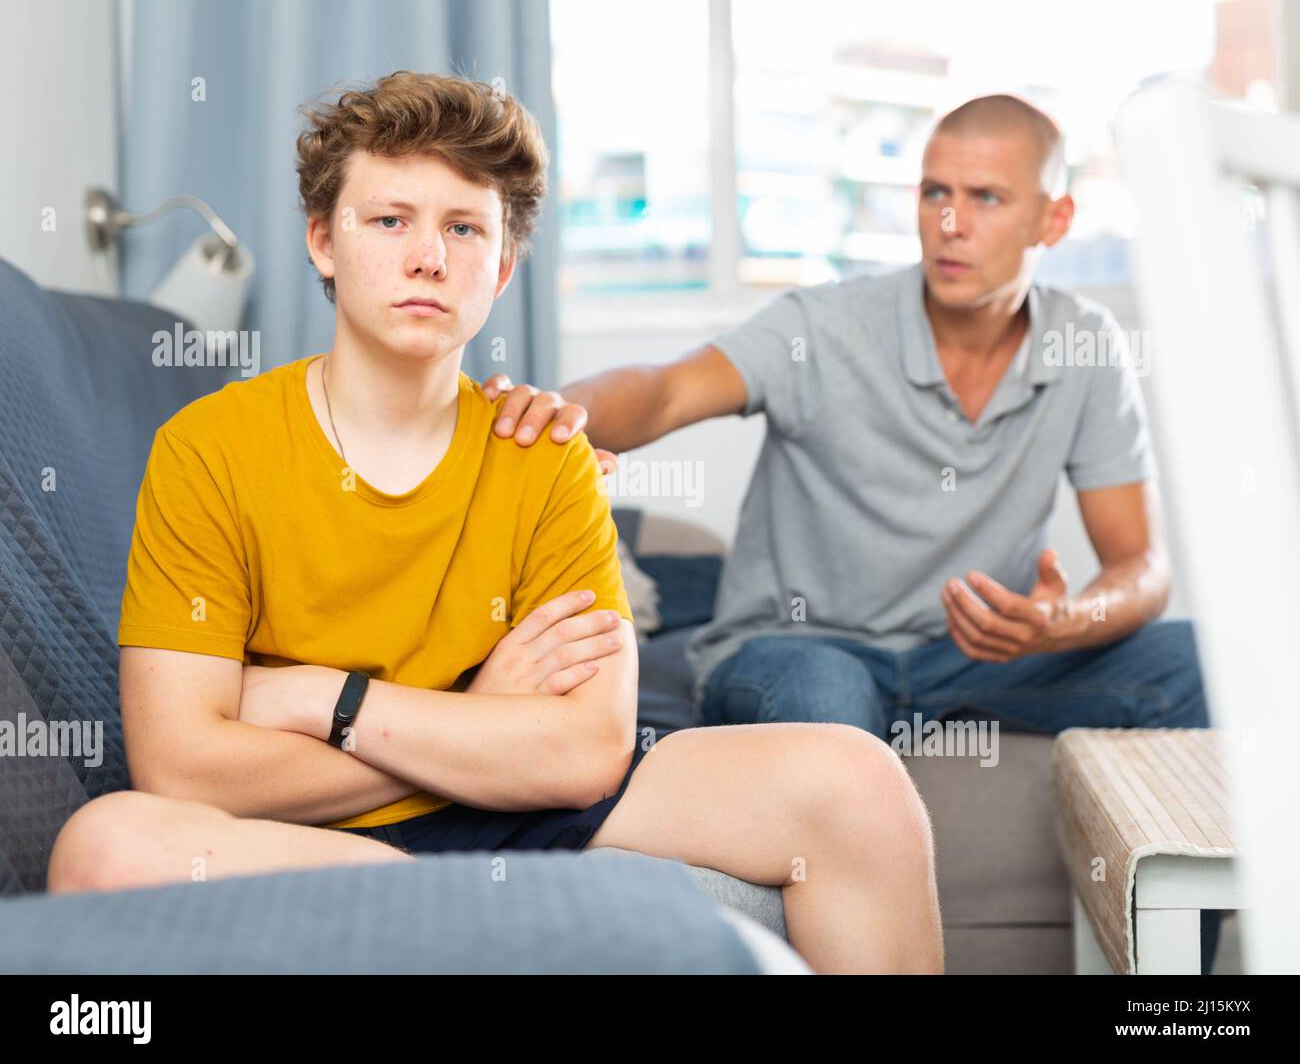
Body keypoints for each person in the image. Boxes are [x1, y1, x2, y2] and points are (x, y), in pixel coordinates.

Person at [43, 71, 943, 976]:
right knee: (107, 845)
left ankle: (454, 916)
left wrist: (333, 701)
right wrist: (471, 719)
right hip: (305, 826)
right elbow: (182, 767)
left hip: (520, 808)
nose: (429, 257)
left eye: (463, 228)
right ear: (324, 240)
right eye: (390, 220)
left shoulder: (546, 448)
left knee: (858, 781)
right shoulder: (208, 448)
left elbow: (587, 749)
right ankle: (469, 914)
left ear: (502, 265)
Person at [486, 93, 1221, 972]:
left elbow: (1139, 565)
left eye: (986, 198)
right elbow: (664, 389)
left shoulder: (1084, 349)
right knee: (828, 737)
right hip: (799, 644)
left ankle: (1181, 995)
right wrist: (557, 410)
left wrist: (1066, 623)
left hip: (976, 653)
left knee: (1215, 665)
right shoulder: (824, 326)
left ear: (1053, 219)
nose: (949, 222)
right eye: (932, 192)